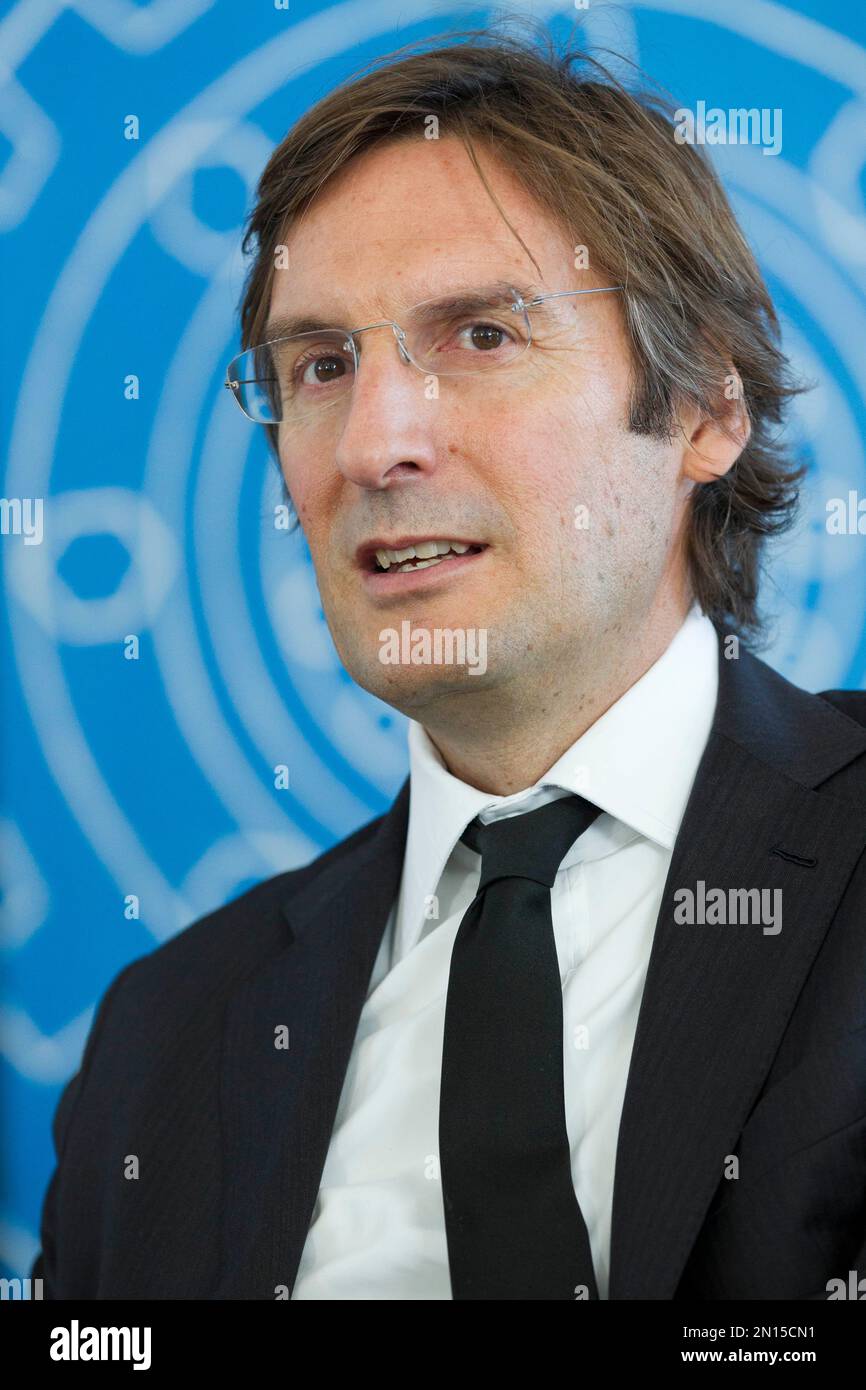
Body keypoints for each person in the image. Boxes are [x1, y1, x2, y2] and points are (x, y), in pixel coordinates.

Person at [32, 23, 866, 1300]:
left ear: (702, 408)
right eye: (319, 365)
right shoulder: (165, 1038)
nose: (372, 445)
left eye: (479, 336)